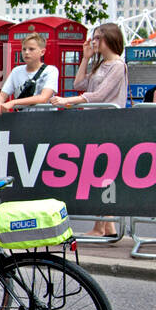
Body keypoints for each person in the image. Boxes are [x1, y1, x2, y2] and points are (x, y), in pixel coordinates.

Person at [52, 23, 129, 236]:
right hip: (95, 123)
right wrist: (85, 58)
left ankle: (101, 226)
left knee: (105, 174)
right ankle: (108, 225)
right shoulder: (100, 64)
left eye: (97, 38)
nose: (93, 42)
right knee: (101, 174)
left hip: (109, 124)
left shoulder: (117, 65)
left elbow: (101, 95)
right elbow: (79, 83)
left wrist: (69, 101)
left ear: (109, 39)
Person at [0, 34, 57, 113]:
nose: (26, 52)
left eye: (31, 49)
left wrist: (13, 102)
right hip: (21, 120)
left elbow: (43, 98)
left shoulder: (51, 70)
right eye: (24, 49)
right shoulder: (16, 71)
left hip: (44, 120)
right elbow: (2, 96)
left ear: (42, 52)